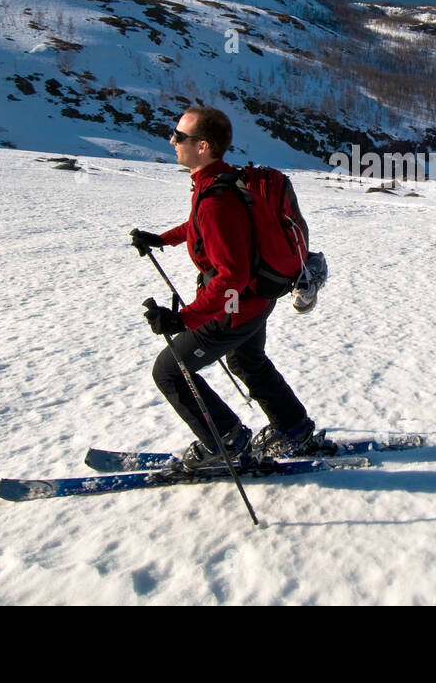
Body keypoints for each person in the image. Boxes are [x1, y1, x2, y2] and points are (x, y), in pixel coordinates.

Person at [130, 106, 316, 470]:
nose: (172, 141)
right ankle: (294, 429)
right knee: (247, 360)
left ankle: (227, 441)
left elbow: (230, 275)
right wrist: (163, 239)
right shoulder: (222, 180)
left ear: (203, 146)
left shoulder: (216, 196)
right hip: (258, 298)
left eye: (179, 136)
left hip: (234, 307)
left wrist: (183, 320)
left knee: (170, 370)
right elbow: (204, 227)